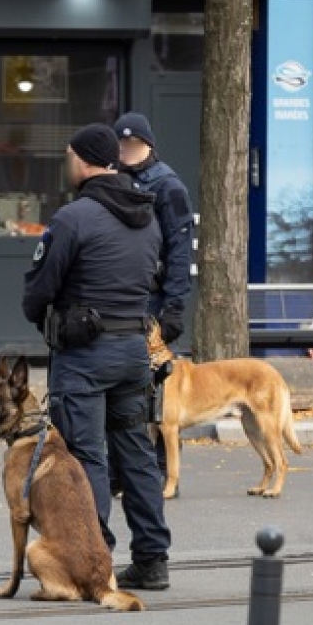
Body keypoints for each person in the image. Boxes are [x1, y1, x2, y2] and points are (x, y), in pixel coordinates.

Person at [22, 123, 172, 589]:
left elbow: (38, 291)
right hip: (133, 351)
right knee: (136, 453)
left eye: (69, 155)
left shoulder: (74, 217)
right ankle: (152, 559)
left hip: (84, 354)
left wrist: (48, 314)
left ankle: (95, 560)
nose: (67, 163)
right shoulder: (147, 216)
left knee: (86, 457)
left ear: (85, 160)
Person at [111, 112, 195, 493]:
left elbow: (179, 249)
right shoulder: (112, 179)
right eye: (122, 144)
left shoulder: (168, 186)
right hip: (121, 296)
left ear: (148, 145)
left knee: (156, 393)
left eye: (133, 144)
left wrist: (175, 304)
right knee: (120, 387)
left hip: (154, 299)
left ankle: (162, 472)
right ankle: (120, 470)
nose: (127, 150)